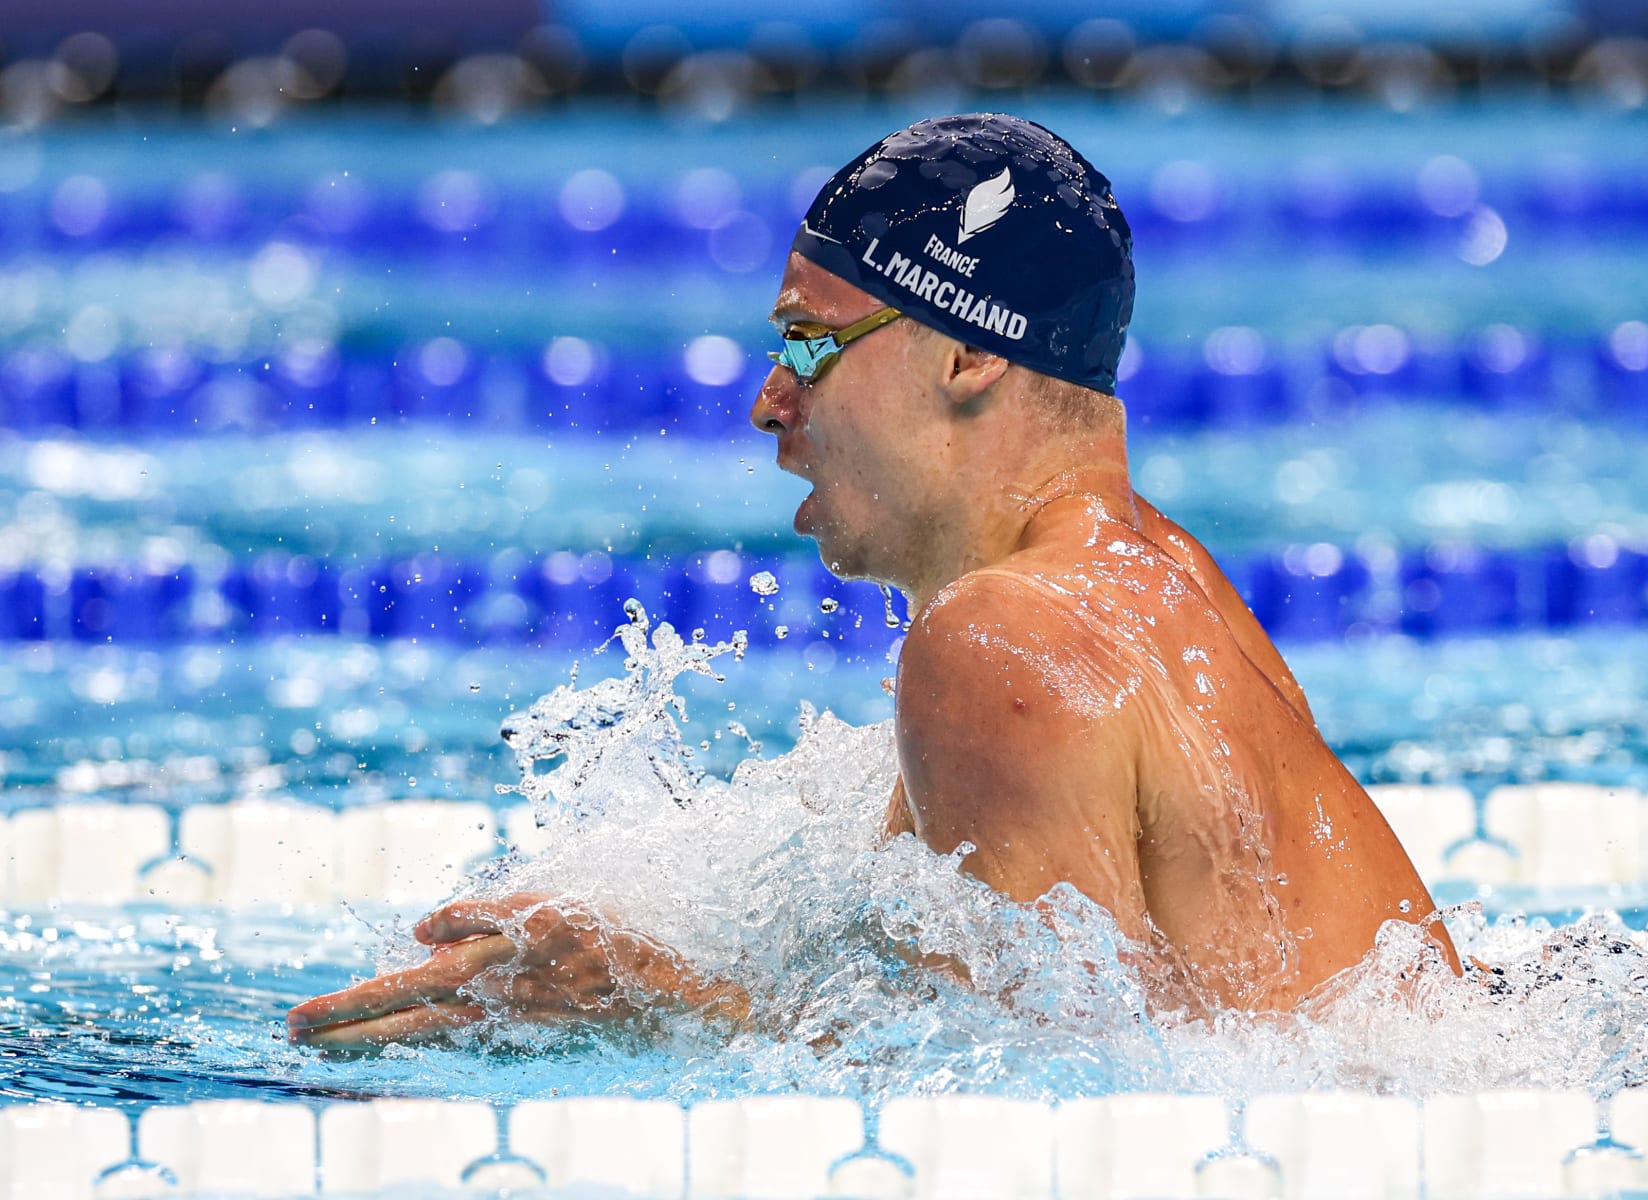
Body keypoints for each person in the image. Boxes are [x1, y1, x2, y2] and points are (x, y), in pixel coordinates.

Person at [288, 113, 1455, 1052]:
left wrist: (647, 998)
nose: (768, 403)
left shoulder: (1003, 638)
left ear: (967, 353)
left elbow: (1030, 1109)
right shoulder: (1157, 572)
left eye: (807, 345)